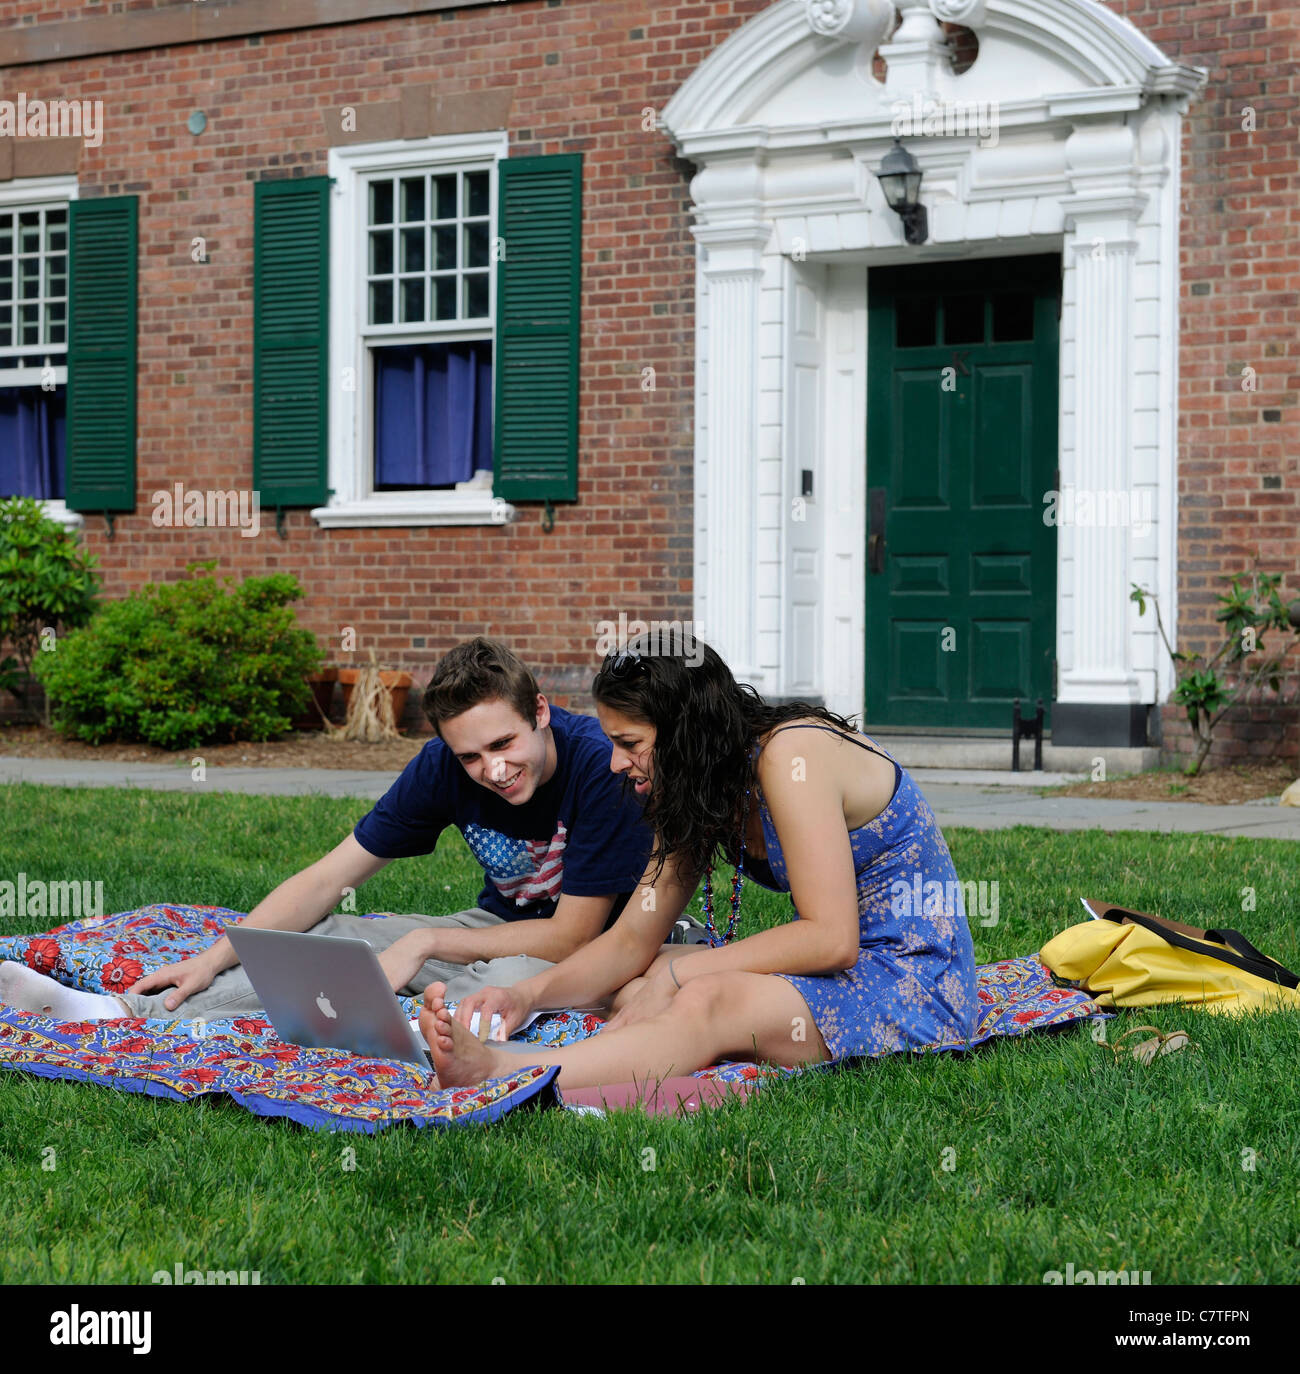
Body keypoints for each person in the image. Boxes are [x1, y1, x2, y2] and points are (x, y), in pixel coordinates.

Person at [420, 635, 980, 1090]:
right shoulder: (692, 788)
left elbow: (832, 939)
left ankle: (501, 1071)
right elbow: (629, 941)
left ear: (686, 734)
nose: (615, 762)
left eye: (629, 741)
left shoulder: (792, 756)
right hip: (845, 968)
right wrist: (527, 995)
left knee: (703, 991)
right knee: (647, 967)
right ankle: (599, 1044)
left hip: (914, 981)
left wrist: (678, 974)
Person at [0, 638, 652, 1024]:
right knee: (333, 936)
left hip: (600, 947)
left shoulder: (604, 764)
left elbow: (573, 937)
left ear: (540, 710)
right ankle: (116, 1014)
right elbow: (328, 878)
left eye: (505, 743)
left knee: (488, 970)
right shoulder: (442, 768)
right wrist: (210, 959)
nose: (494, 769)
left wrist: (426, 939)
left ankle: (409, 1021)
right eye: (471, 757)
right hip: (493, 929)